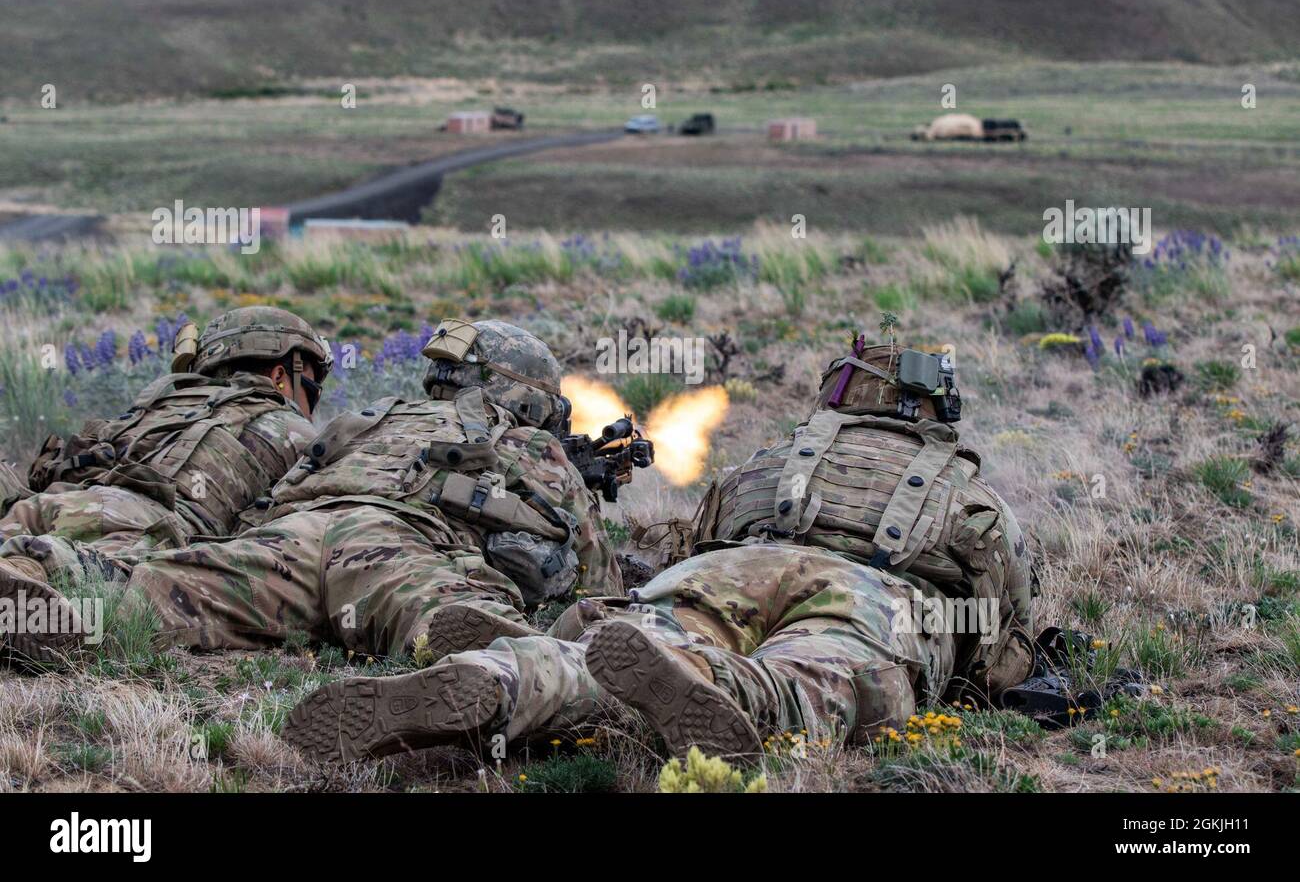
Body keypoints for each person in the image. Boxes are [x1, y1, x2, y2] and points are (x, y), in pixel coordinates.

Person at [282, 340, 1036, 763]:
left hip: (720, 571)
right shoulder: (969, 492)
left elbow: (704, 535)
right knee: (812, 684)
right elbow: (998, 643)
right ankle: (731, 690)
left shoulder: (770, 463)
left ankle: (509, 673)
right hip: (870, 596)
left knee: (635, 645)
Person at [37, 319, 621, 671]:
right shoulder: (519, 438)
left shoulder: (371, 417)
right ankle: (491, 680)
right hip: (395, 546)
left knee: (163, 587)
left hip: (293, 535)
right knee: (454, 627)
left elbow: (261, 505)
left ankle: (44, 569)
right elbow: (596, 573)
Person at [0, 306, 330, 662]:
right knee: (106, 586)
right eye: (311, 386)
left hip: (57, 500)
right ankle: (27, 571)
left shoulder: (164, 402)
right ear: (283, 375)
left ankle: (17, 566)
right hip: (142, 521)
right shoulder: (296, 431)